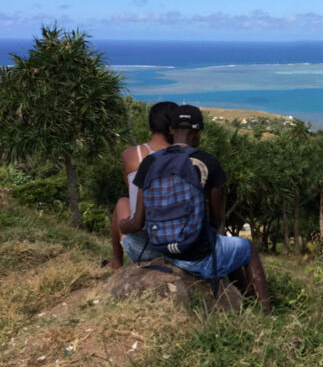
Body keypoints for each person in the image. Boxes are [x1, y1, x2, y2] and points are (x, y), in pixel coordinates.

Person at [120, 105, 272, 313]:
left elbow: (137, 222)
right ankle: (266, 313)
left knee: (129, 240)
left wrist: (122, 224)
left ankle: (244, 297)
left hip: (159, 249)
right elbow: (216, 219)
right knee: (247, 249)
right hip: (195, 257)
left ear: (172, 130)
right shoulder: (207, 162)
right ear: (198, 132)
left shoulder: (150, 162)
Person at [110, 101, 178, 270]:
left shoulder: (132, 155)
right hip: (180, 246)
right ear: (173, 127)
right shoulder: (185, 157)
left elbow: (134, 193)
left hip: (143, 249)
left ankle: (117, 262)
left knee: (122, 203)